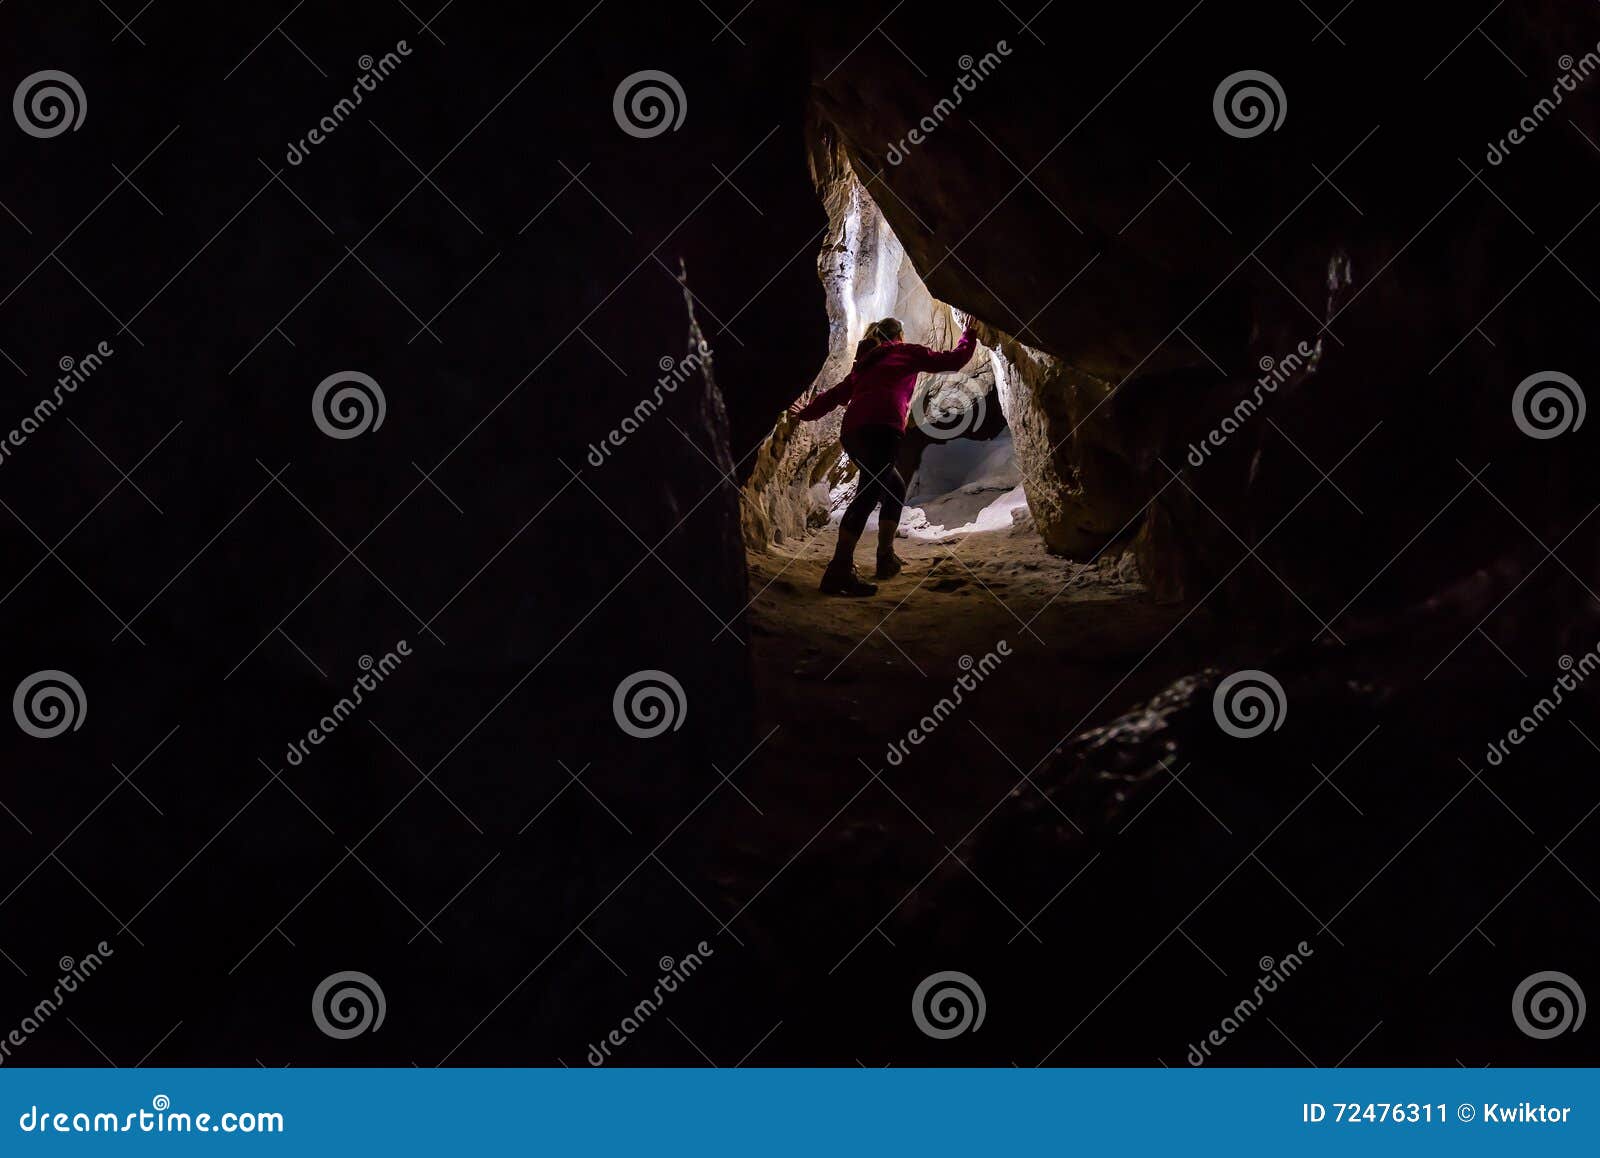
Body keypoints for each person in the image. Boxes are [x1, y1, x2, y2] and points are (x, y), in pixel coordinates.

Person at [788, 317, 978, 596]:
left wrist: (807, 412)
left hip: (853, 433)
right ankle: (839, 570)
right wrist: (969, 334)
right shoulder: (906, 352)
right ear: (899, 335)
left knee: (894, 487)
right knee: (867, 494)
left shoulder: (866, 363)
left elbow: (837, 394)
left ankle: (885, 557)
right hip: (881, 428)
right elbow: (953, 360)